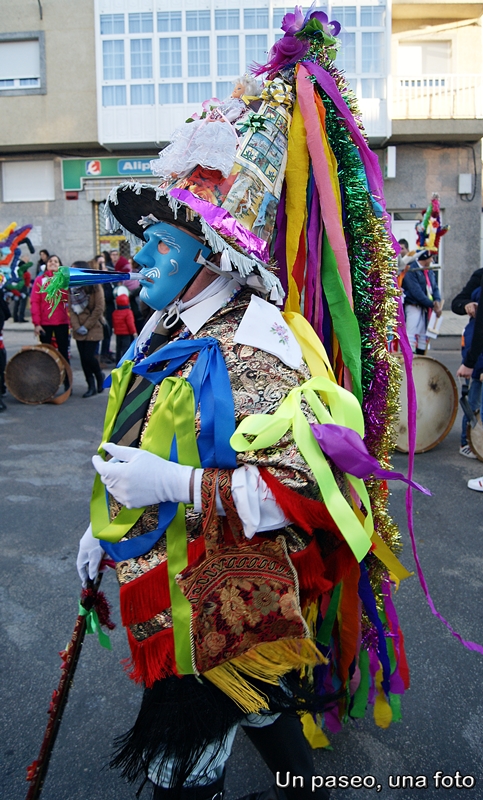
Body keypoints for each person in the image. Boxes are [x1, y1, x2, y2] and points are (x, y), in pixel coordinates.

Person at [74, 13, 408, 800]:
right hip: (184, 586)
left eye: (159, 243)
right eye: (142, 241)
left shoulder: (253, 339)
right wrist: (99, 526)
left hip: (220, 603)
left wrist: (172, 485)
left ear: (208, 255)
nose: (138, 256)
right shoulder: (168, 326)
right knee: (264, 711)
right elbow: (138, 436)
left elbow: (302, 491)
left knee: (180, 772)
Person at [68, 260, 105, 398]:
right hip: (79, 329)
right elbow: (71, 310)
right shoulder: (71, 288)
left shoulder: (95, 286)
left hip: (93, 326)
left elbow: (99, 308)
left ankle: (99, 376)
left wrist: (86, 326)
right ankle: (91, 386)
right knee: (83, 359)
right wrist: (77, 327)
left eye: (74, 270)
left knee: (89, 357)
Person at [31, 254, 71, 374]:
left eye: (56, 261)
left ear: (60, 265)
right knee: (45, 354)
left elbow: (68, 299)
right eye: (50, 261)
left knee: (63, 353)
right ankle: (47, 379)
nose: (53, 263)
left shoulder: (64, 280)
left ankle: (66, 379)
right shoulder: (39, 280)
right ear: (46, 264)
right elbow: (35, 302)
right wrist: (37, 324)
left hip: (62, 322)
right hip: (45, 323)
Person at [402, 249, 443, 354]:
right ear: (425, 258)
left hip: (425, 308)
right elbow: (416, 292)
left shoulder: (429, 270)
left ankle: (421, 357)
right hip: (413, 306)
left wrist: (437, 300)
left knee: (423, 335)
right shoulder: (412, 270)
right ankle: (409, 357)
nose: (432, 260)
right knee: (411, 333)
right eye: (431, 257)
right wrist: (433, 305)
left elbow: (435, 288)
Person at [112, 292, 136, 361]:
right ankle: (124, 361)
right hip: (126, 334)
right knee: (125, 348)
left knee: (118, 348)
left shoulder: (115, 312)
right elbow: (130, 323)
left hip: (118, 333)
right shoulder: (128, 312)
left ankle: (118, 361)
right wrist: (134, 332)